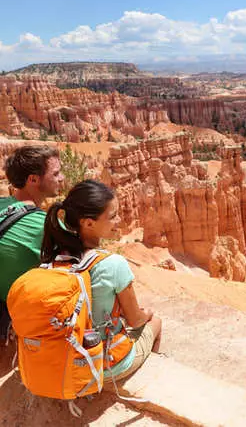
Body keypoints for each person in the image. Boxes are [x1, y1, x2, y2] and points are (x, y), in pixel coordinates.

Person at [41, 179, 162, 382]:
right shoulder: (113, 264)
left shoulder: (54, 259)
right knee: (155, 322)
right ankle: (153, 375)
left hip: (64, 359)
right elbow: (135, 320)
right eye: (112, 216)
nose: (119, 220)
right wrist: (147, 314)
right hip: (101, 364)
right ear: (88, 223)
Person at [0, 145, 64, 339]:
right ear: (33, 179)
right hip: (11, 317)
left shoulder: (3, 203)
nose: (61, 178)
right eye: (56, 173)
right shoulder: (46, 226)